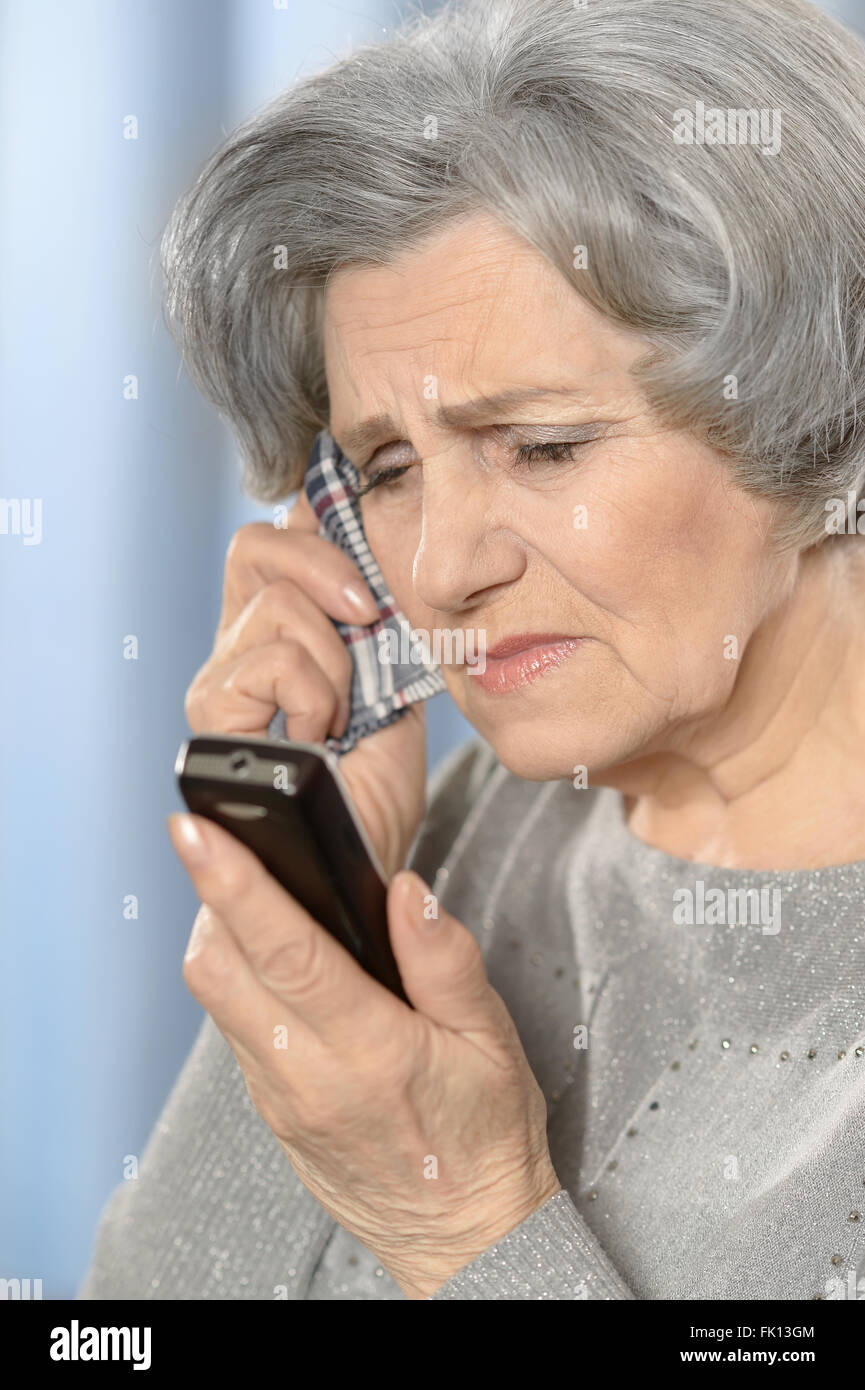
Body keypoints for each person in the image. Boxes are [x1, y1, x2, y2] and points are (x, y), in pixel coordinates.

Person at [80, 0, 865, 1299]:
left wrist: (468, 1228)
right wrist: (325, 930)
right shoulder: (474, 827)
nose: (440, 567)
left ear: (814, 407)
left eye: (541, 447)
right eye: (386, 467)